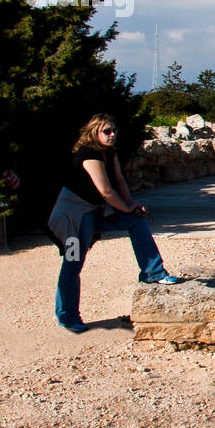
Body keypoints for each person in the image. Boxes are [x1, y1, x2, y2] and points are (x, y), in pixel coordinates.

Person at [47, 113, 181, 333]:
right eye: (106, 131)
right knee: (72, 264)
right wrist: (127, 206)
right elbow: (106, 190)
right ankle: (68, 316)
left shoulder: (109, 153)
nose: (111, 135)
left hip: (94, 213)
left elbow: (118, 181)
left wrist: (132, 205)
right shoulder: (89, 154)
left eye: (114, 130)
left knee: (135, 221)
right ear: (94, 133)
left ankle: (153, 272)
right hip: (72, 219)